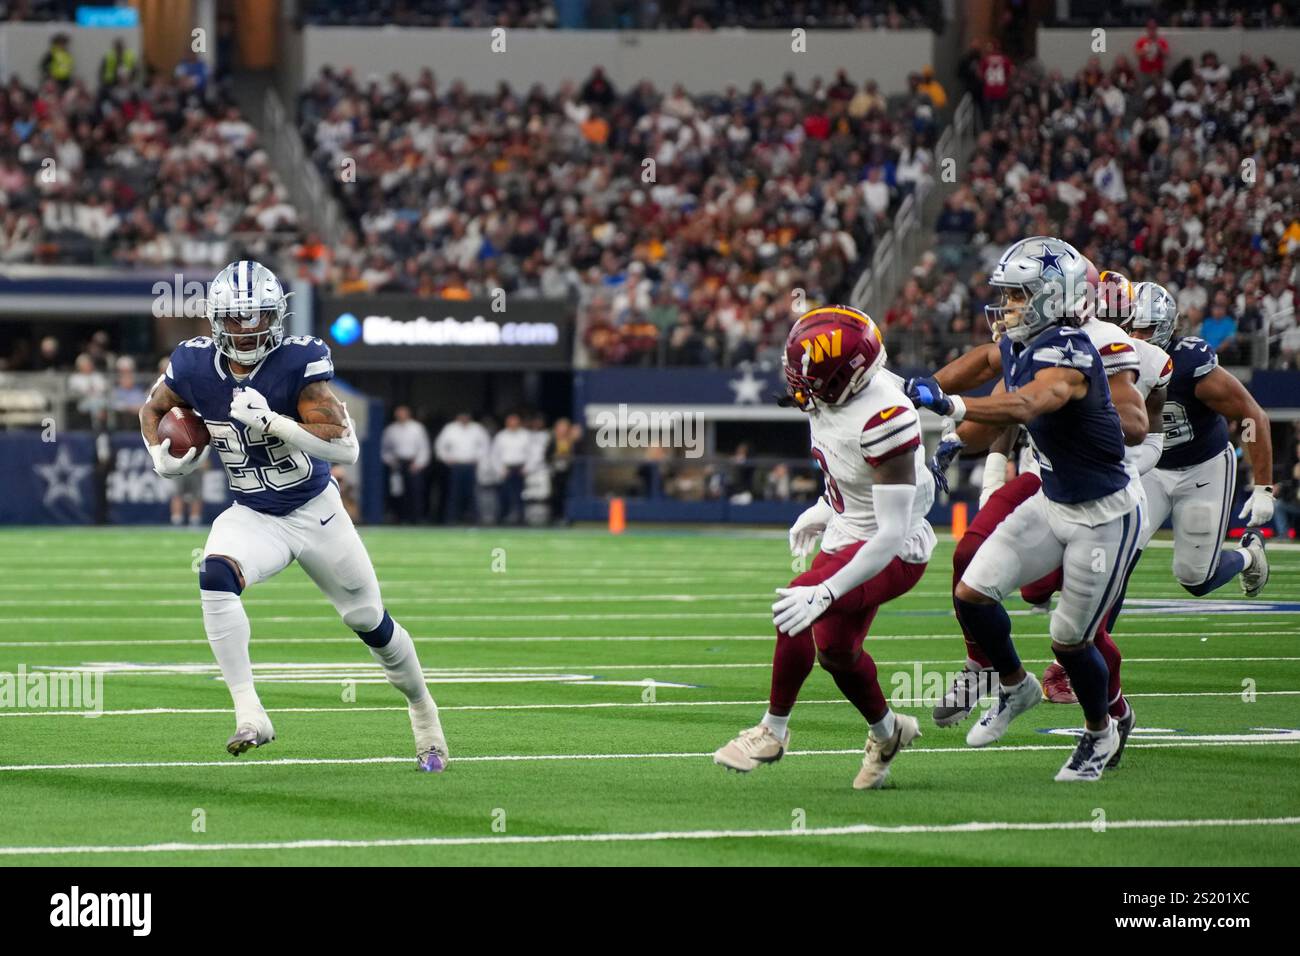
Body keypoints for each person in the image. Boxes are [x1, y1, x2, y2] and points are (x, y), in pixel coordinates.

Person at [139, 259, 448, 772]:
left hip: (315, 511)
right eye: (235, 318)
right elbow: (153, 410)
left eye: (257, 315)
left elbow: (346, 450)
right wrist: (161, 458)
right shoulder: (193, 365)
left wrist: (274, 423)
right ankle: (250, 712)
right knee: (215, 575)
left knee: (370, 622)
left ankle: (423, 713)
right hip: (253, 513)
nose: (246, 328)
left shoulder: (298, 362)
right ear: (216, 320)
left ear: (275, 316)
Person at [907, 237, 1145, 781]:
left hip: (1104, 514)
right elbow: (986, 360)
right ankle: (1015, 686)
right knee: (972, 592)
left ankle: (1100, 733)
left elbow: (1027, 403)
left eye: (1018, 294)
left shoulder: (1069, 348)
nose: (1007, 304)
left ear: (1053, 297)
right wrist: (905, 389)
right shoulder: (1020, 340)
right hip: (1051, 497)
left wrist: (950, 405)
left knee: (1070, 639)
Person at [713, 305, 936, 790]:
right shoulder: (838, 390)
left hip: (891, 549)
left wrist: (826, 590)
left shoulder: (885, 416)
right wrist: (826, 506)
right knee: (836, 653)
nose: (803, 390)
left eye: (814, 380)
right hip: (847, 532)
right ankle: (887, 731)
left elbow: (892, 532)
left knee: (797, 600)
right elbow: (846, 466)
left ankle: (772, 731)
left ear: (849, 376)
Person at [434, 412, 489, 524]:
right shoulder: (450, 428)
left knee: (472, 493)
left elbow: (485, 445)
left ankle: (474, 518)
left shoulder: (477, 429)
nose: (464, 418)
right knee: (454, 493)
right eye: (461, 416)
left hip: (471, 465)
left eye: (466, 416)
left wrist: (479, 459)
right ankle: (451, 518)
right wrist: (446, 459)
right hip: (456, 465)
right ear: (457, 417)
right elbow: (440, 446)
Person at [381, 405, 431, 523]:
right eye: (398, 413)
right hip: (398, 464)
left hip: (413, 463)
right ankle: (400, 517)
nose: (401, 416)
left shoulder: (417, 428)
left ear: (408, 414)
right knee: (397, 492)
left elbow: (424, 448)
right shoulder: (391, 429)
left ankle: (416, 518)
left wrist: (419, 463)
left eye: (403, 413)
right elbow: (385, 449)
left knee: (415, 492)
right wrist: (391, 461)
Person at [491, 413, 533, 525]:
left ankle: (521, 518)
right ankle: (501, 518)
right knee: (504, 495)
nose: (513, 424)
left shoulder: (525, 435)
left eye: (515, 421)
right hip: (506, 468)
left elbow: (532, 453)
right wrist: (500, 469)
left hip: (520, 468)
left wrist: (527, 468)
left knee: (521, 495)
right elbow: (495, 455)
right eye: (511, 421)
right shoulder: (501, 436)